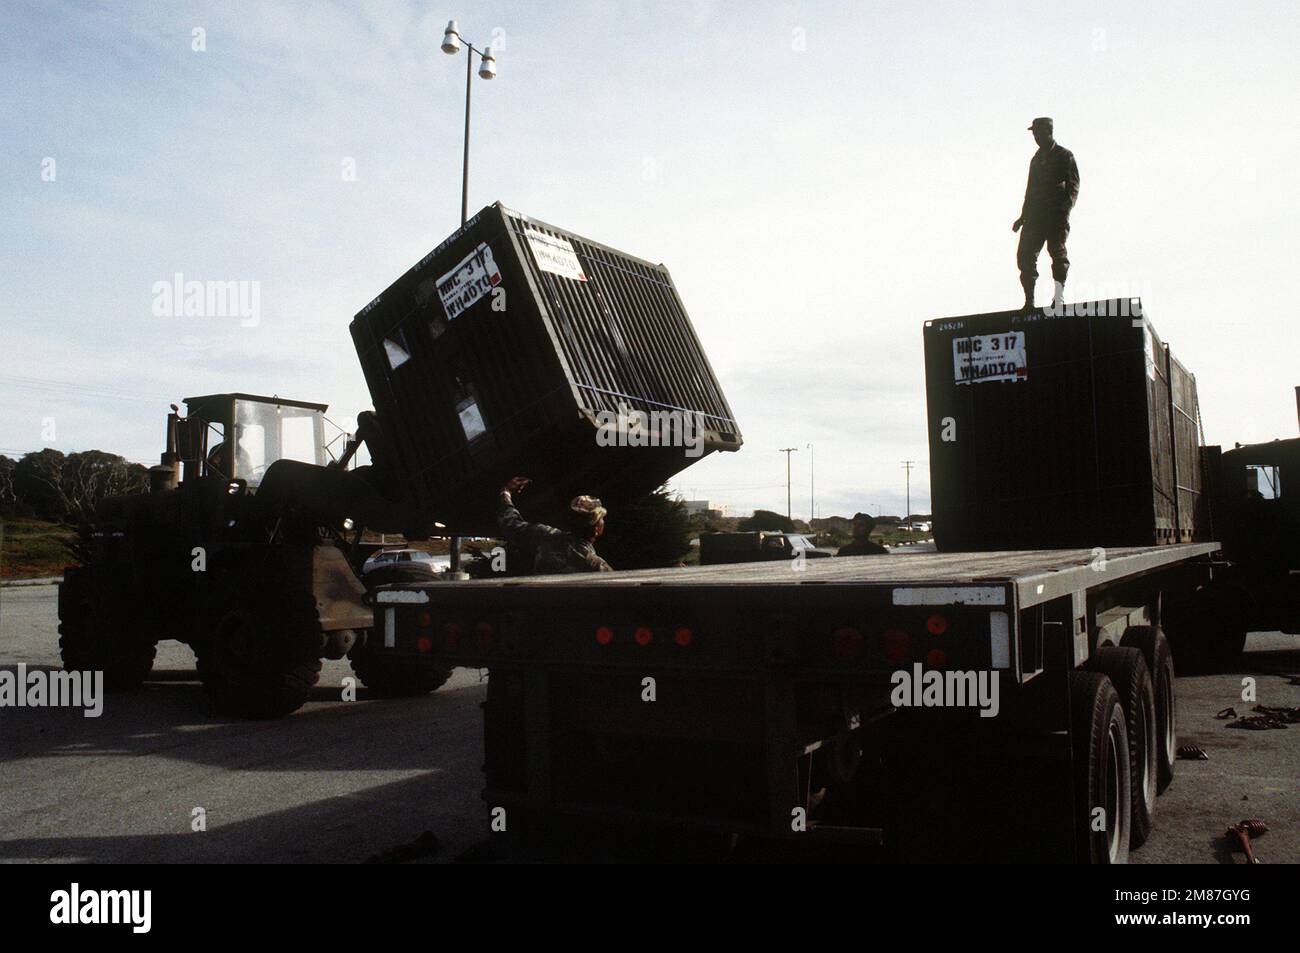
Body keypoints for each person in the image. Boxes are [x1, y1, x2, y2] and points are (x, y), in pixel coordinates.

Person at [1013, 117, 1080, 310]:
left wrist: (1065, 209)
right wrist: (1022, 217)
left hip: (1055, 214)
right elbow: (1030, 190)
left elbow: (1073, 186)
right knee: (1025, 256)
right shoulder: (1036, 160)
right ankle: (1029, 302)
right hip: (1035, 216)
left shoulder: (1064, 155)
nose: (1035, 137)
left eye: (1037, 133)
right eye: (1033, 133)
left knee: (1057, 254)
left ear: (1047, 132)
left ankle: (1058, 297)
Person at [496, 476, 613, 574]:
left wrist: (506, 492)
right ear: (597, 529)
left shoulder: (547, 536)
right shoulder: (597, 567)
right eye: (601, 519)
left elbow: (511, 524)